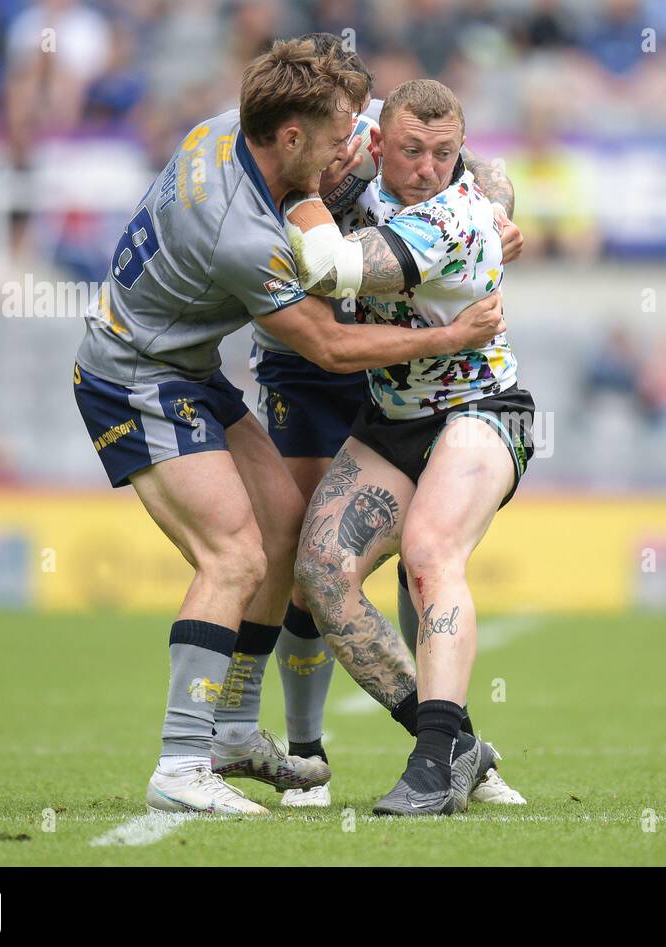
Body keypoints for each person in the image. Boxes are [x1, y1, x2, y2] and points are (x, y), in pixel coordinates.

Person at [71, 39, 504, 815]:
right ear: (295, 138)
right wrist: (445, 337)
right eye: (341, 142)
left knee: (284, 532)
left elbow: (431, 144)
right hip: (133, 377)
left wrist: (492, 212)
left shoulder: (227, 128)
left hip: (188, 368)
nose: (354, 152)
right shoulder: (238, 232)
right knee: (233, 555)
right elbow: (332, 345)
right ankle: (180, 764)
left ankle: (236, 732)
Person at [250, 34, 525, 808]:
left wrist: (494, 212)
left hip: (474, 405)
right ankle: (441, 746)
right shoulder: (328, 130)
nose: (429, 170)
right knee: (319, 575)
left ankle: (436, 760)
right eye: (412, 154)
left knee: (430, 553)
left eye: (445, 157)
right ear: (374, 139)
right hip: (373, 396)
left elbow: (331, 266)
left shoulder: (443, 211)